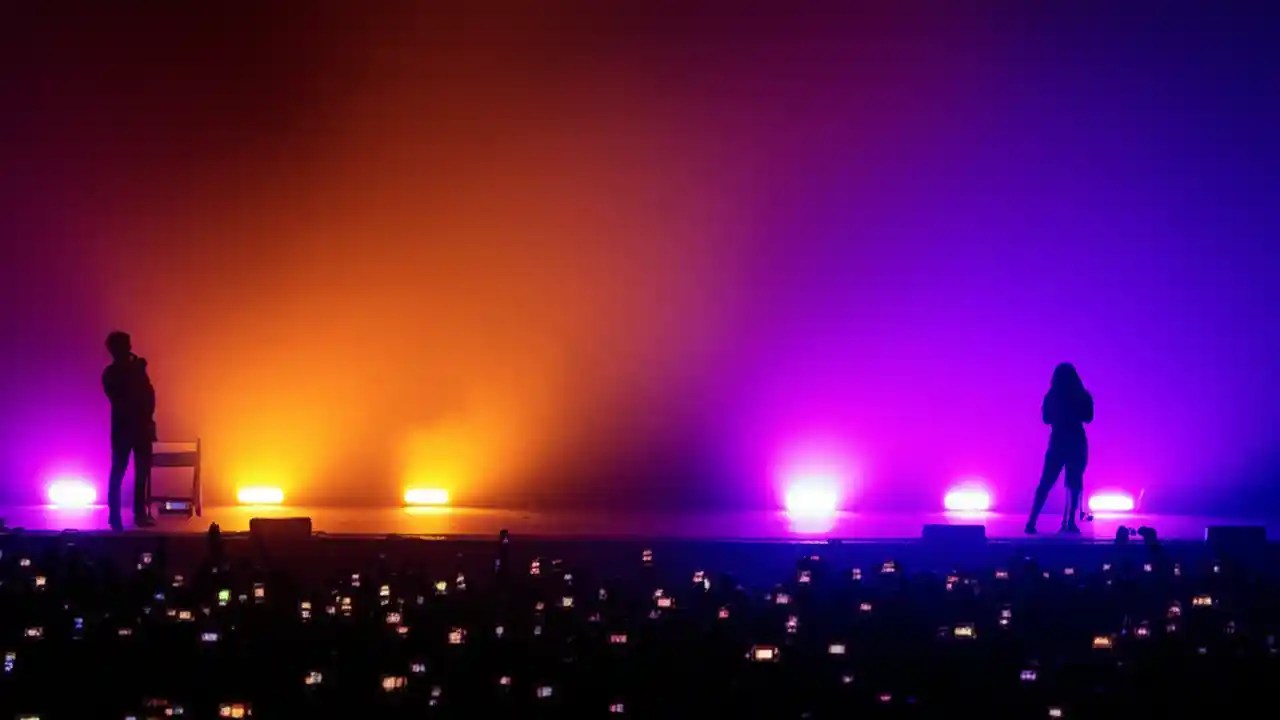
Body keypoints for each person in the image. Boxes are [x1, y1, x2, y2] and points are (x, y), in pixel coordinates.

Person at [1025, 362, 1093, 534]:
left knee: (1046, 482)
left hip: (1057, 441)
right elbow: (1089, 417)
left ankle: (1032, 521)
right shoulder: (1081, 395)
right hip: (1076, 441)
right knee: (1074, 482)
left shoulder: (1051, 396)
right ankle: (1070, 521)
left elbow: (1046, 419)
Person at [103, 331, 157, 530]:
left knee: (140, 472)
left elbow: (149, 394)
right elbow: (122, 398)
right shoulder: (111, 374)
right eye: (124, 345)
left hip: (138, 427)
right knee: (119, 471)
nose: (129, 348)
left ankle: (138, 515)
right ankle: (116, 516)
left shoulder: (133, 370)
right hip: (125, 428)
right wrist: (136, 371)